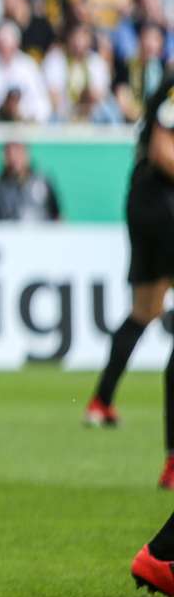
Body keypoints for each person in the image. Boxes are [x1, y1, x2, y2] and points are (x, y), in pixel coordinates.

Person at [86, 72, 174, 488]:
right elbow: (163, 150)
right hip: (164, 204)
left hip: (146, 200)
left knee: (144, 311)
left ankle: (101, 400)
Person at [0, 141, 62, 222]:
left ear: (26, 151)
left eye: (18, 149)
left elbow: (58, 217)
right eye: (9, 151)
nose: (14, 156)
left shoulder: (44, 181)